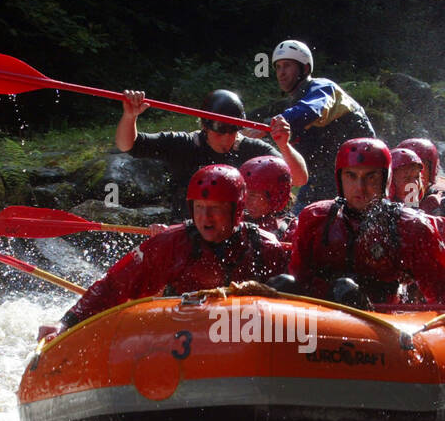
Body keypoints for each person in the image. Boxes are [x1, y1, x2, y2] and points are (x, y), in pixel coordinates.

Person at [47, 165, 290, 334]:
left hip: (242, 333)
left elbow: (296, 296)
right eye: (199, 208)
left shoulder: (264, 245)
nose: (205, 218)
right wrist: (66, 322)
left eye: (214, 208)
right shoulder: (171, 243)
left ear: (236, 210)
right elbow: (113, 285)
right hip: (180, 332)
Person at [282, 138, 445, 319]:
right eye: (351, 176)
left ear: (385, 180)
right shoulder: (316, 217)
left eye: (370, 177)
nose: (360, 187)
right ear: (339, 179)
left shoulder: (410, 226)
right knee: (283, 284)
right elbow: (299, 274)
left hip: (380, 322)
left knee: (344, 289)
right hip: (318, 315)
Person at [116, 88, 307, 213]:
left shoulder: (251, 149)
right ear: (205, 127)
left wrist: (284, 145)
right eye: (220, 130)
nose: (226, 138)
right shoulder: (183, 144)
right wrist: (130, 116)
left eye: (232, 130)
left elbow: (298, 179)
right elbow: (128, 145)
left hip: (238, 232)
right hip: (188, 230)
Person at [267, 40, 375, 211]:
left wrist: (271, 124)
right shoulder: (292, 108)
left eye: (287, 66)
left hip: (359, 170)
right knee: (299, 219)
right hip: (324, 178)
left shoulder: (323, 87)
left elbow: (310, 111)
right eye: (278, 67)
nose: (281, 73)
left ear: (305, 69)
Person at [240, 155, 296, 241]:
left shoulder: (291, 229)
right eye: (244, 194)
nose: (246, 201)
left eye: (253, 196)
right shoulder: (237, 220)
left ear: (275, 196)